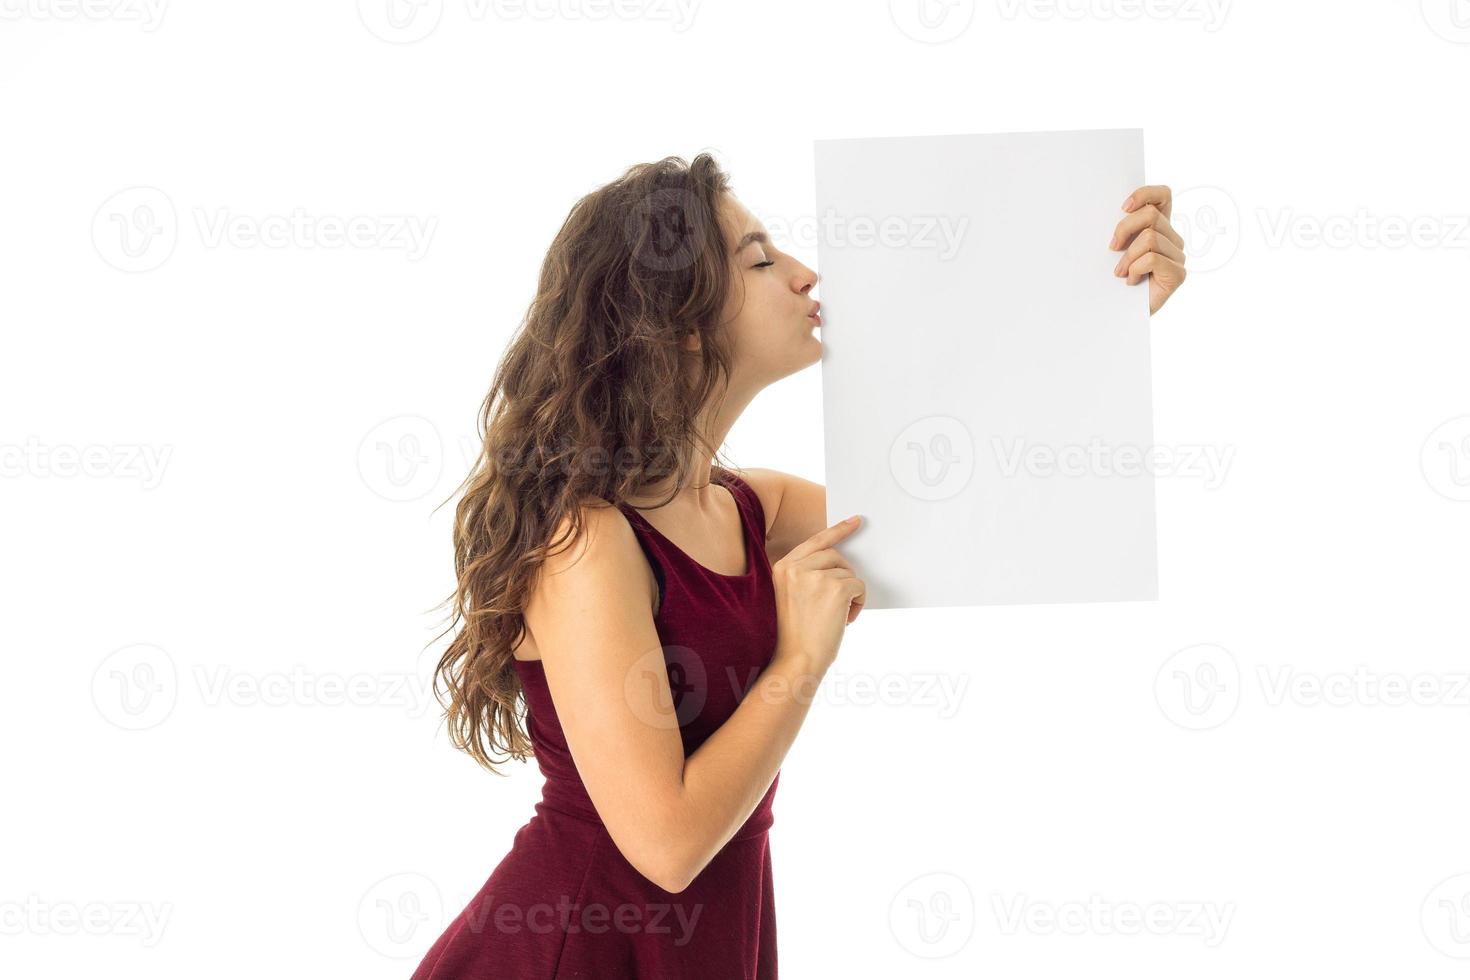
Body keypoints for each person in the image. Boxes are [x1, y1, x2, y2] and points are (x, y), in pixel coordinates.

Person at [411, 153, 1187, 979]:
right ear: (678, 318)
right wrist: (801, 660)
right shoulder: (588, 541)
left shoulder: (753, 509)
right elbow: (667, 845)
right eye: (759, 259)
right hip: (577, 949)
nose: (805, 275)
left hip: (709, 940)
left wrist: (1107, 315)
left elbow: (1023, 525)